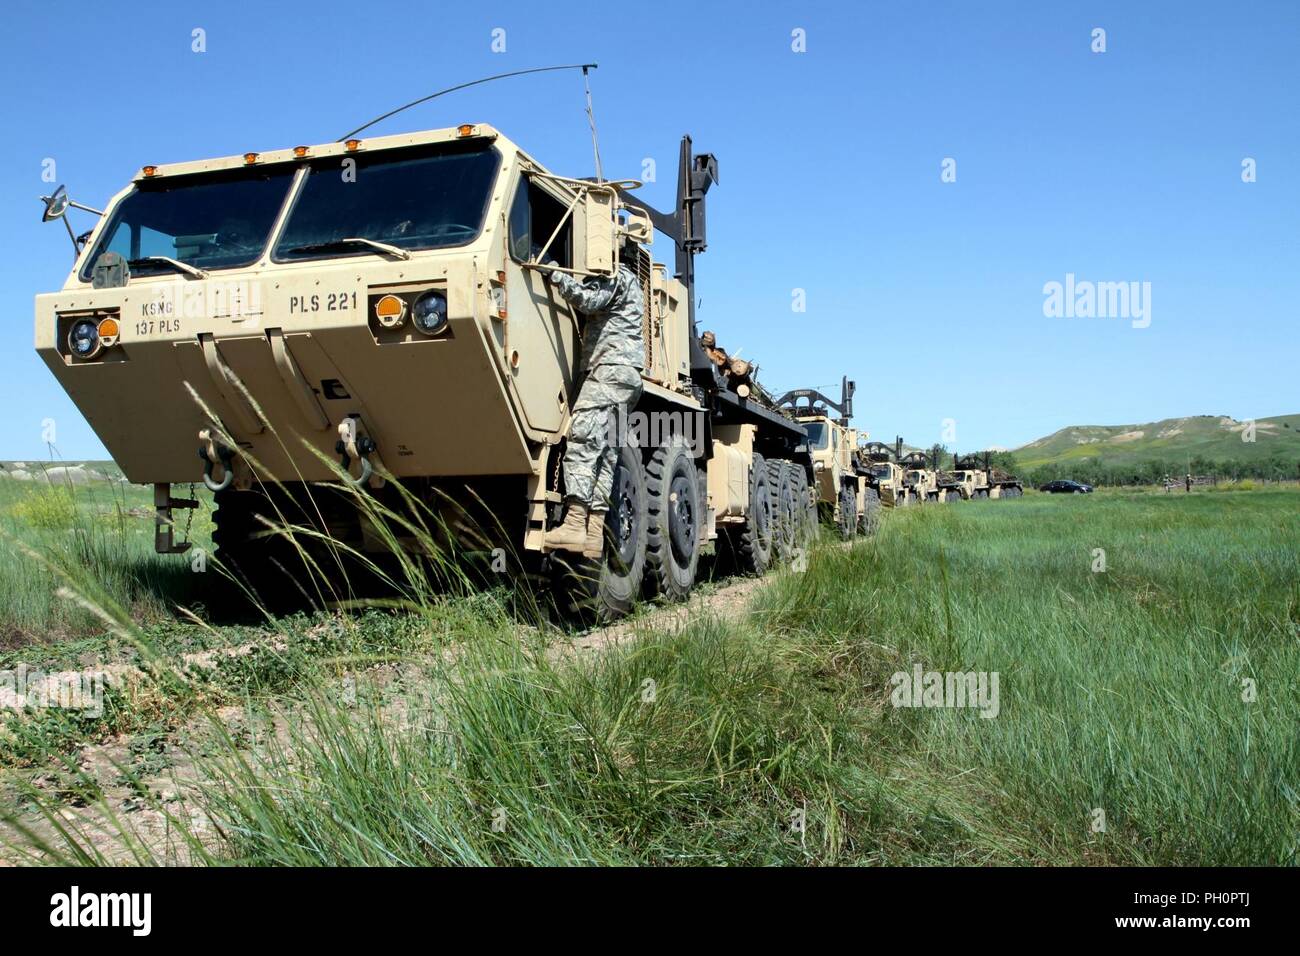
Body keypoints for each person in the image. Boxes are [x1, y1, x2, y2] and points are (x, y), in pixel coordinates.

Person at [540, 247, 645, 557]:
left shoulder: (617, 277)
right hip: (626, 377)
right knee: (606, 454)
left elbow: (589, 301)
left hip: (609, 371)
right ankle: (593, 535)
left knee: (584, 440)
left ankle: (574, 525)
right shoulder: (633, 283)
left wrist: (555, 273)